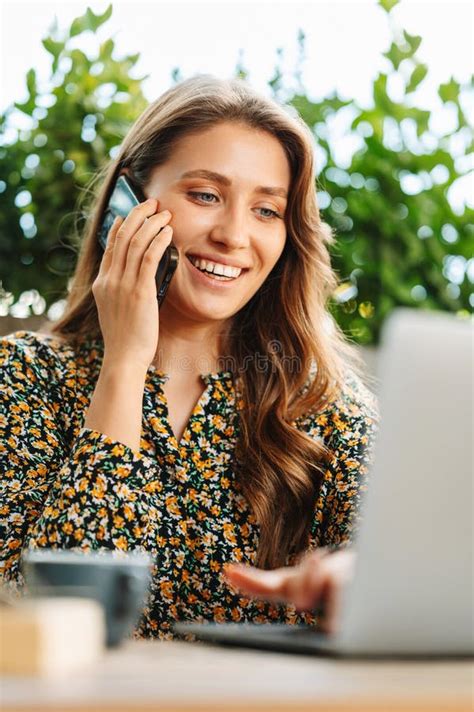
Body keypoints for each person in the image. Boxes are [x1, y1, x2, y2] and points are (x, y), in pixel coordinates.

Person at [0, 74, 379, 639]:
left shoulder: (324, 406)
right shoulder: (22, 378)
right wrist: (126, 365)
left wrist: (360, 575)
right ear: (128, 204)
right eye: (205, 195)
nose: (233, 235)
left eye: (267, 210)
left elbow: (403, 564)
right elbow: (51, 618)